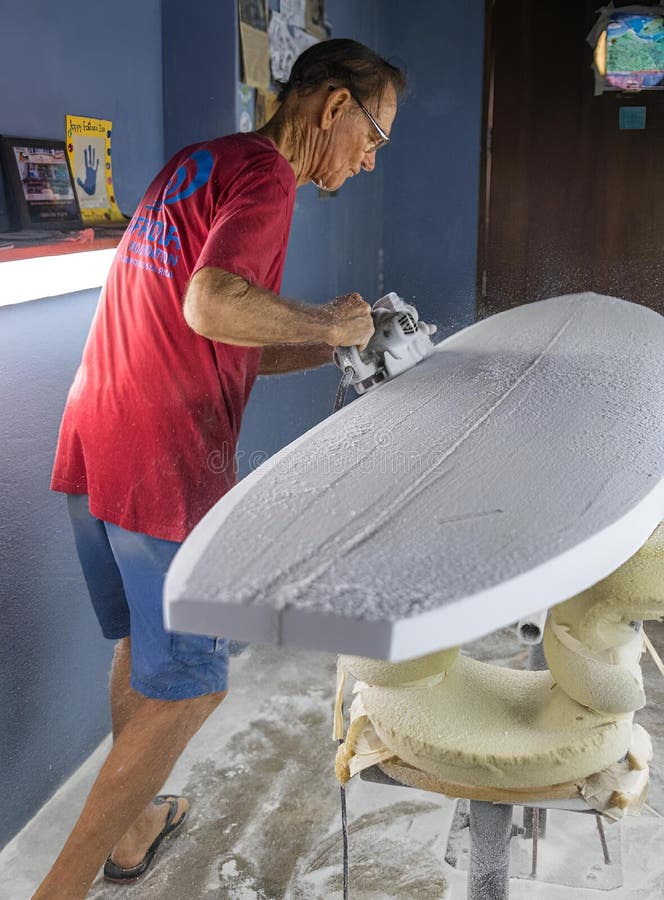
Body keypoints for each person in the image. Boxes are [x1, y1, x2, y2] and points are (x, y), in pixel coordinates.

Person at [36, 38, 405, 899]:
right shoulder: (271, 180)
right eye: (375, 136)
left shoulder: (203, 162)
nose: (371, 157)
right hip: (162, 464)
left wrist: (329, 342)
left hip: (97, 442)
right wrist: (328, 321)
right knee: (193, 690)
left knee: (146, 648)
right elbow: (213, 301)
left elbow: (216, 335)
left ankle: (134, 831)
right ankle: (58, 888)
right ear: (334, 106)